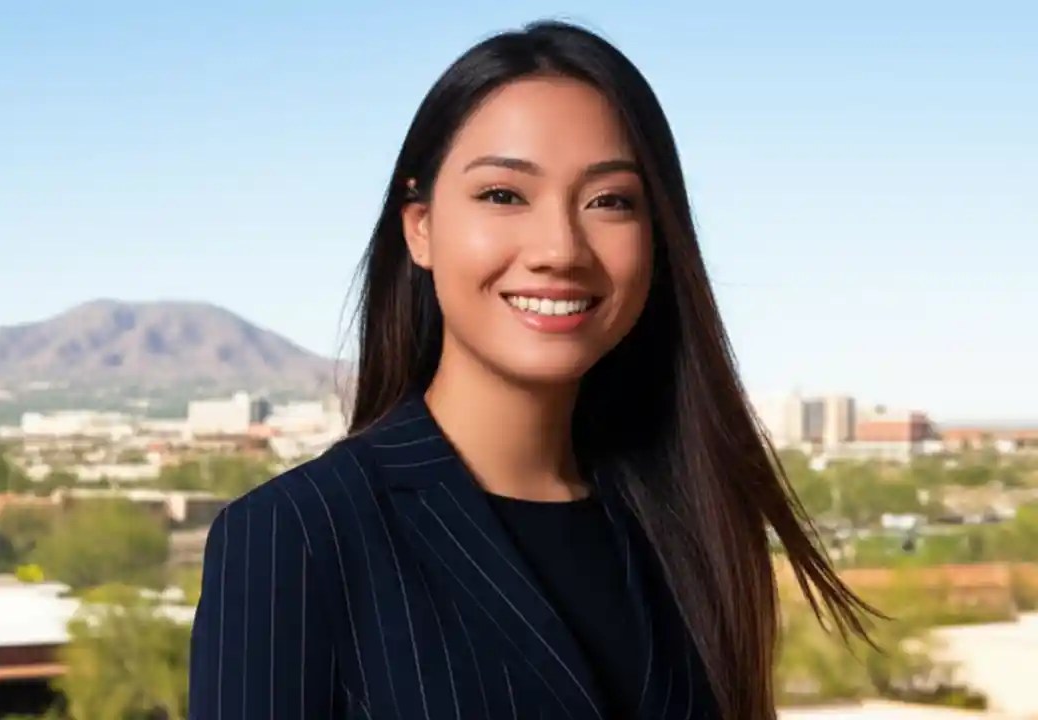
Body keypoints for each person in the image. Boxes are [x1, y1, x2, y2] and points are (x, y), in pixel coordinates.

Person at [188, 19, 870, 720]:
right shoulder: (294, 536)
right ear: (420, 227)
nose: (560, 248)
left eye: (610, 201)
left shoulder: (697, 525)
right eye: (504, 195)